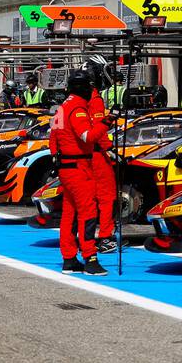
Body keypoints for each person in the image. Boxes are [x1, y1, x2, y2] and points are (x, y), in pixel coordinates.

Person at [50, 69, 107, 275]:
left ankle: (69, 258)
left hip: (66, 167)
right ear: (84, 87)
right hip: (79, 168)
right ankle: (90, 259)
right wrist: (106, 123)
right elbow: (88, 137)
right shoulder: (77, 109)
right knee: (88, 212)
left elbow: (53, 139)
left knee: (69, 214)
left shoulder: (62, 107)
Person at [84, 56, 119, 254]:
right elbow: (98, 130)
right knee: (107, 197)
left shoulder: (77, 99)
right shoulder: (95, 99)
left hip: (81, 155)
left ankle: (85, 236)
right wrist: (110, 149)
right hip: (97, 154)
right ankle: (106, 237)